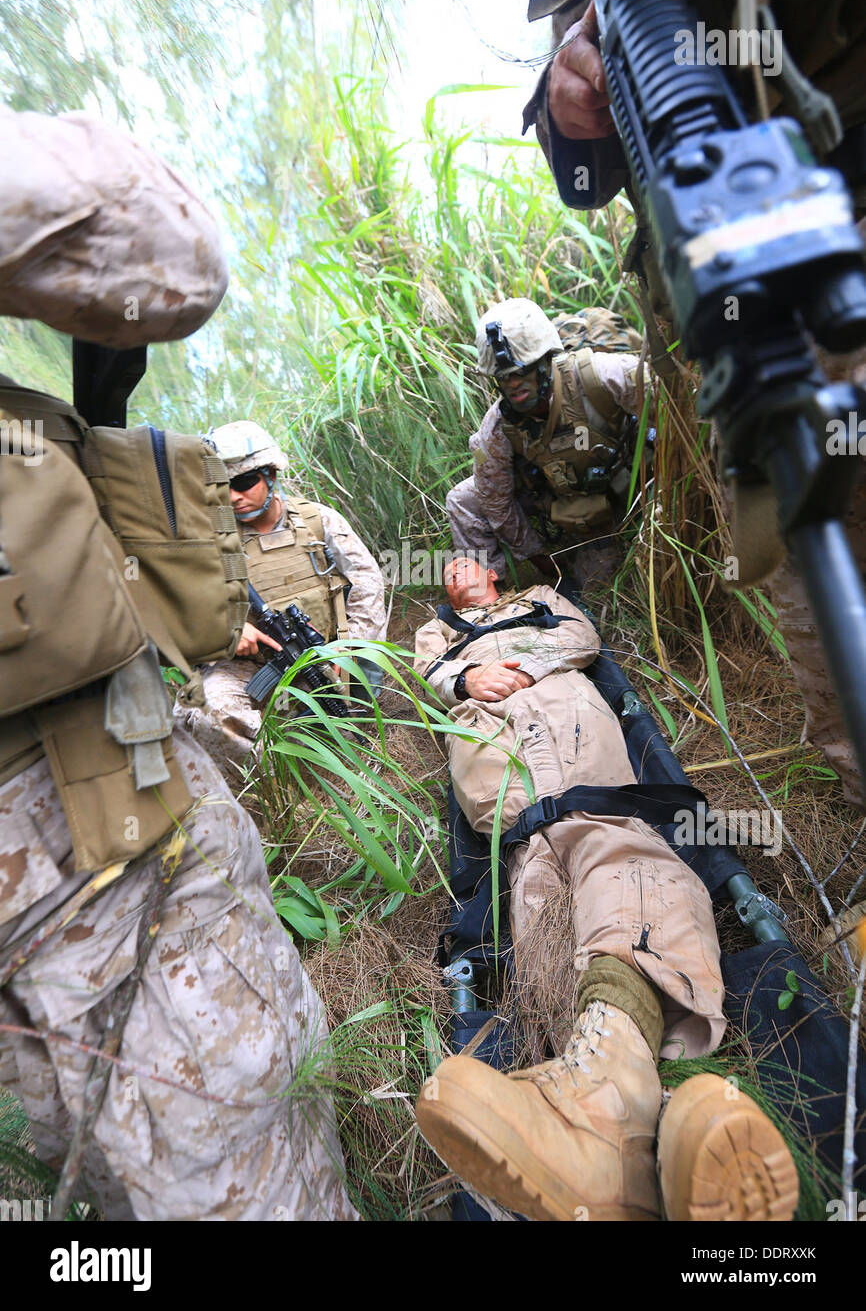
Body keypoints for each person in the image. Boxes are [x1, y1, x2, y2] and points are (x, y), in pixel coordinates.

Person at [0, 107, 356, 1221]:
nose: (247, 498)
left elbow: (361, 586)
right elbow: (170, 255)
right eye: (235, 486)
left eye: (256, 484)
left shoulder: (313, 523)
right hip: (82, 815)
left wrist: (357, 657)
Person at [523, 0, 866, 809]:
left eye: (526, 377)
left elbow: (633, 387)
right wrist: (567, 93)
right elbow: (584, 164)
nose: (521, 393)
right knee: (819, 570)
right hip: (736, 284)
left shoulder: (586, 378)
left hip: (842, 186)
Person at [413, 557, 798, 1221]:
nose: (456, 573)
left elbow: (581, 638)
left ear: (493, 574)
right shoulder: (436, 629)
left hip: (566, 719)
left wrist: (525, 666)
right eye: (445, 571)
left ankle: (605, 1116)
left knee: (619, 850)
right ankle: (645, 1125)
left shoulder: (538, 597)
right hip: (495, 750)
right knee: (537, 903)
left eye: (467, 562)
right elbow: (427, 678)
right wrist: (469, 675)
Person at [179, 420, 388, 787]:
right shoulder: (210, 541)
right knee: (205, 710)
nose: (233, 497)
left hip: (326, 660)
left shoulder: (317, 522)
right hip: (248, 667)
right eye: (222, 487)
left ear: (271, 475)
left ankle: (307, 735)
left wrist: (349, 649)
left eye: (243, 483)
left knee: (343, 722)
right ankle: (268, 793)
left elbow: (368, 586)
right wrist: (228, 629)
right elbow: (181, 607)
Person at [445, 299, 649, 595]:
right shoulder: (497, 429)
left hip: (626, 493)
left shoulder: (600, 376)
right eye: (504, 378)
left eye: (522, 371)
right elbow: (496, 506)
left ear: (545, 362)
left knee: (601, 591)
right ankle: (487, 600)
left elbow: (676, 407)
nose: (513, 384)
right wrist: (550, 569)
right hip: (563, 503)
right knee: (463, 498)